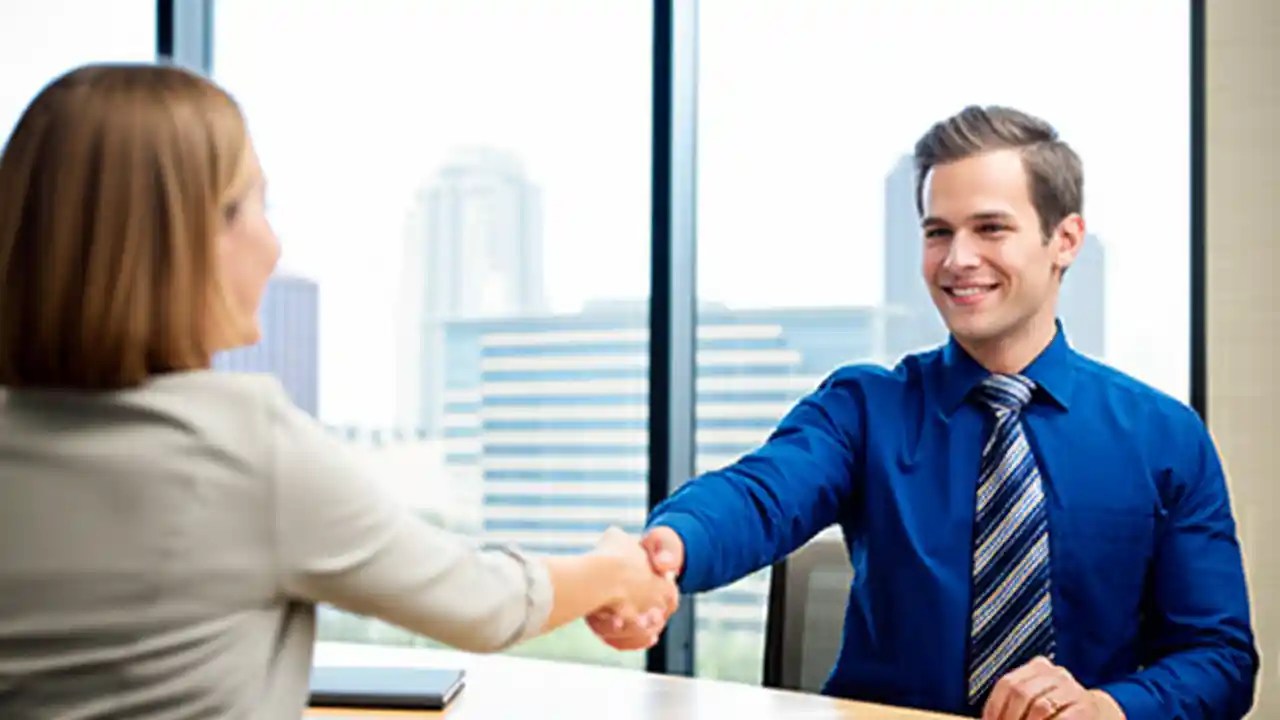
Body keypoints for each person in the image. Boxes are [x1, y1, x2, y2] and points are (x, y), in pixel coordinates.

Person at [0, 63, 674, 719]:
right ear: (178, 241)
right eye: (252, 205)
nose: (272, 241)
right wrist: (613, 571)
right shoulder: (240, 446)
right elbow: (480, 602)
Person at [590, 106, 1258, 719]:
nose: (958, 259)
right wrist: (671, 546)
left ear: (1066, 239)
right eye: (939, 232)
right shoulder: (864, 408)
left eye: (990, 228)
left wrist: (1109, 709)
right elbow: (759, 495)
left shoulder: (1164, 438)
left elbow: (1219, 660)